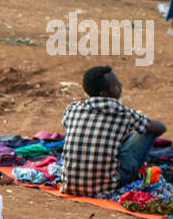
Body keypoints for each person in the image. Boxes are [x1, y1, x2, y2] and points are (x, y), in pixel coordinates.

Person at [60, 66, 166, 197]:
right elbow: (160, 127)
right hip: (107, 187)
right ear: (104, 94)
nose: (120, 87)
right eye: (116, 86)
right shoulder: (122, 112)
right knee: (146, 133)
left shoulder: (73, 109)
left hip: (70, 184)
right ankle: (136, 174)